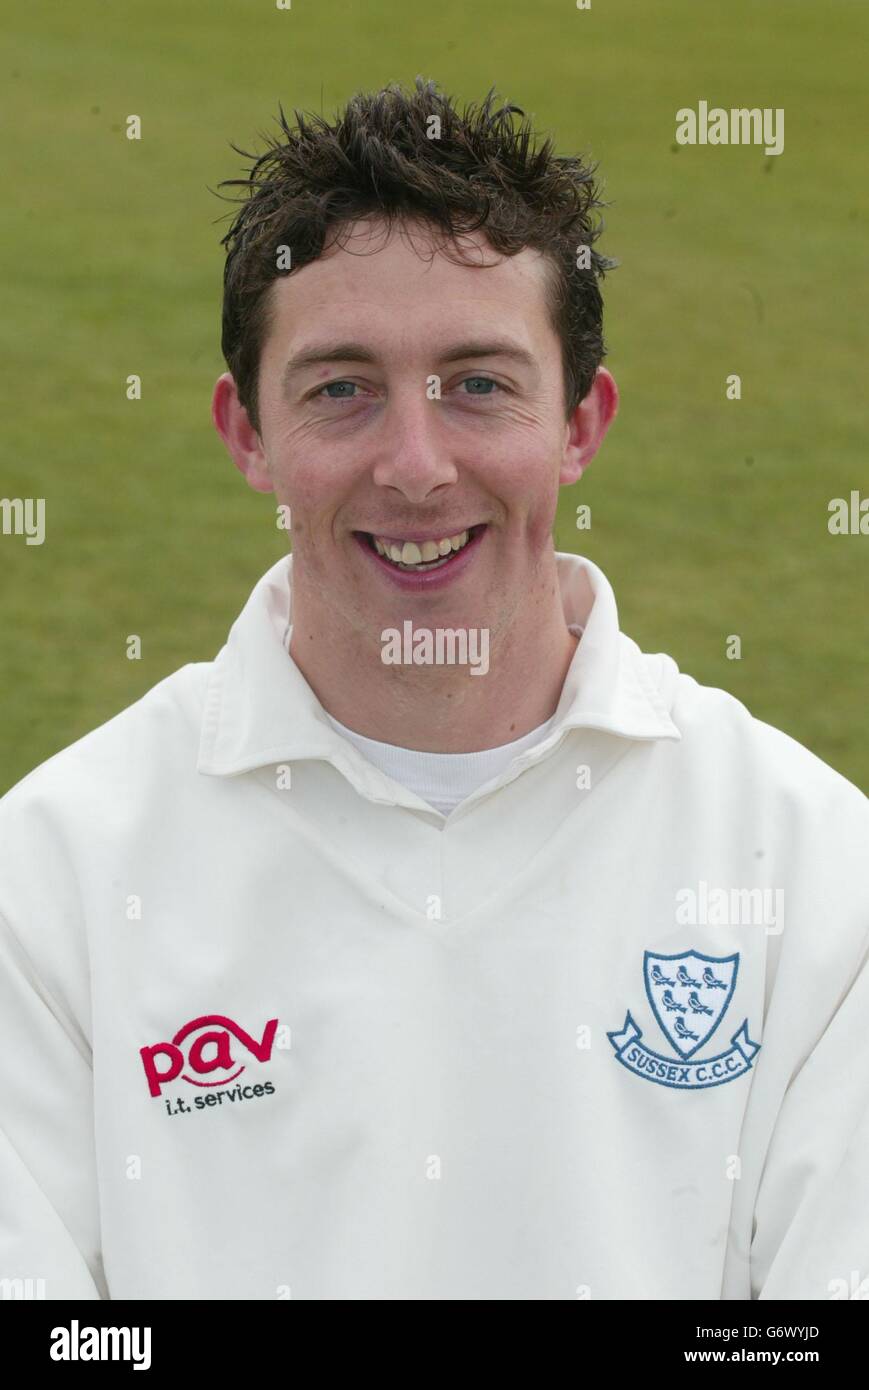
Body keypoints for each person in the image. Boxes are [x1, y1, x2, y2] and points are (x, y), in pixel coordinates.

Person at [1, 78, 866, 1302]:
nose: (415, 466)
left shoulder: (810, 864)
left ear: (580, 422)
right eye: (341, 388)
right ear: (247, 433)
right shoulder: (52, 876)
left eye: (477, 384)